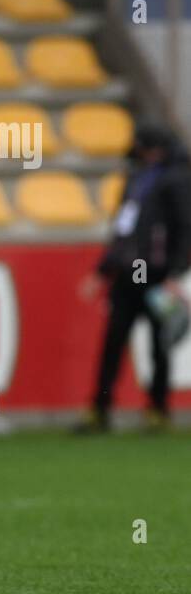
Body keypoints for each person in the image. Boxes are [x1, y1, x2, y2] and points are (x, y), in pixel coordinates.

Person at [79, 120, 191, 431]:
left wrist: (175, 272)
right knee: (114, 341)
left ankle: (158, 408)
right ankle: (101, 408)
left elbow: (184, 229)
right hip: (131, 272)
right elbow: (122, 229)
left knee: (159, 343)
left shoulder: (176, 180)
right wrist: (102, 271)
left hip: (153, 273)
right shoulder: (137, 178)